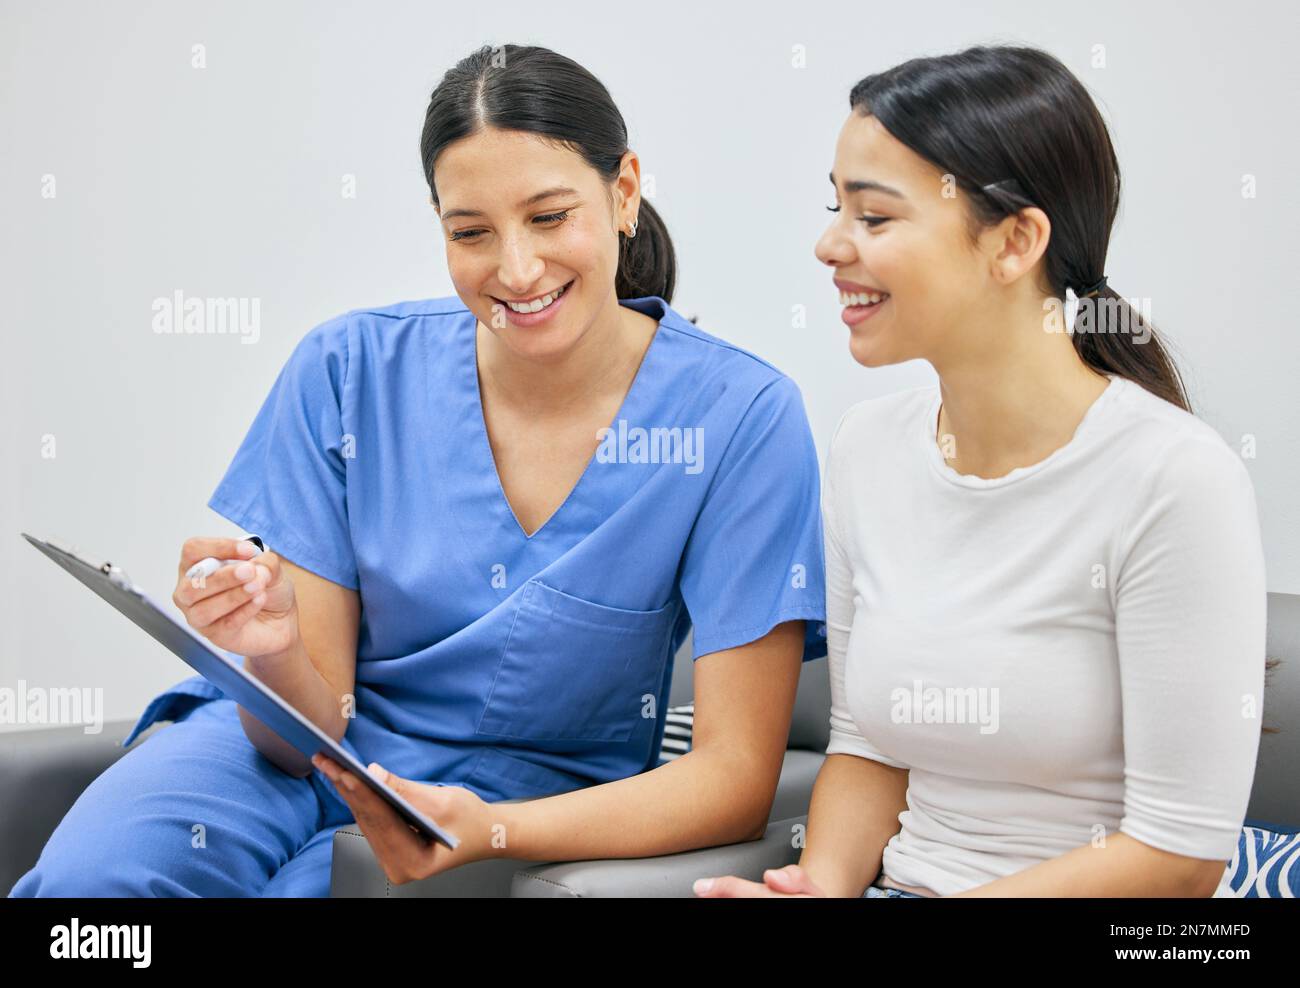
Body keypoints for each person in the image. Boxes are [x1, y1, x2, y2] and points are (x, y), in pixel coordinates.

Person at [11, 43, 826, 897]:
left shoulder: (740, 418)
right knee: (93, 890)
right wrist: (274, 651)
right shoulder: (348, 369)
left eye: (550, 217)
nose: (515, 269)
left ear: (624, 192)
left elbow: (735, 782)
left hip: (511, 795)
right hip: (289, 763)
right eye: (470, 232)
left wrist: (494, 829)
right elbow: (301, 738)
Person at [694, 44, 1266, 899]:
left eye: (875, 218)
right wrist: (820, 885)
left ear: (1015, 243)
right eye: (835, 208)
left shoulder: (1175, 480)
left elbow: (1178, 858)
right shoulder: (865, 449)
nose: (827, 245)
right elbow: (867, 745)